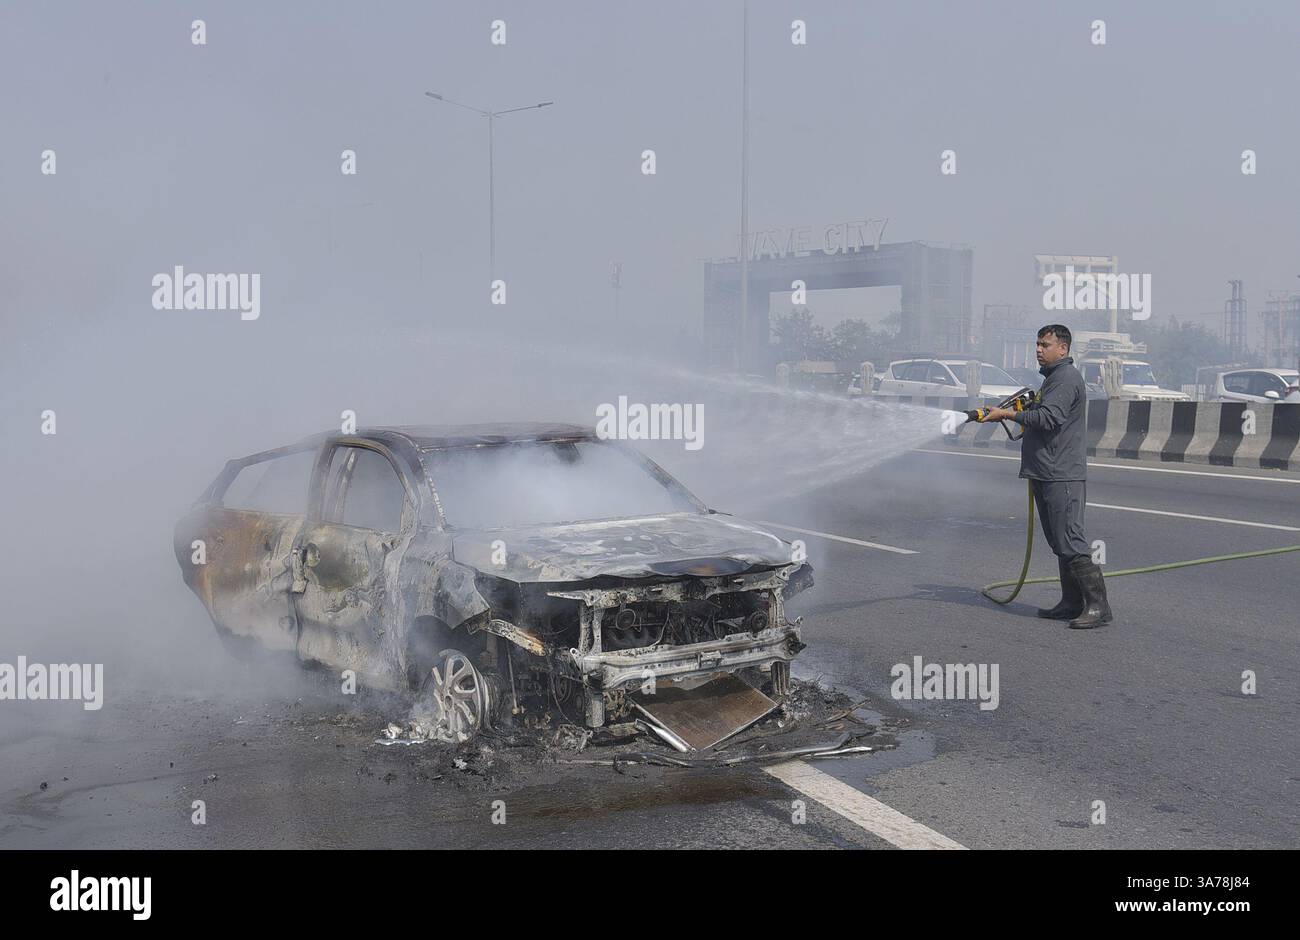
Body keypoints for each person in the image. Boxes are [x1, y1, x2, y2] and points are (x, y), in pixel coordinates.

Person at [982, 324, 1113, 628]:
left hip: (1060, 473)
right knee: (1059, 540)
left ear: (1063, 349)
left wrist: (1008, 414)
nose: (1039, 350)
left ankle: (1098, 606)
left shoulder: (1065, 379)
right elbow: (1045, 412)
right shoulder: (1054, 380)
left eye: (1045, 345)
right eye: (1037, 345)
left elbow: (1049, 418)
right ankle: (1070, 602)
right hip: (1046, 470)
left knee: (1071, 539)